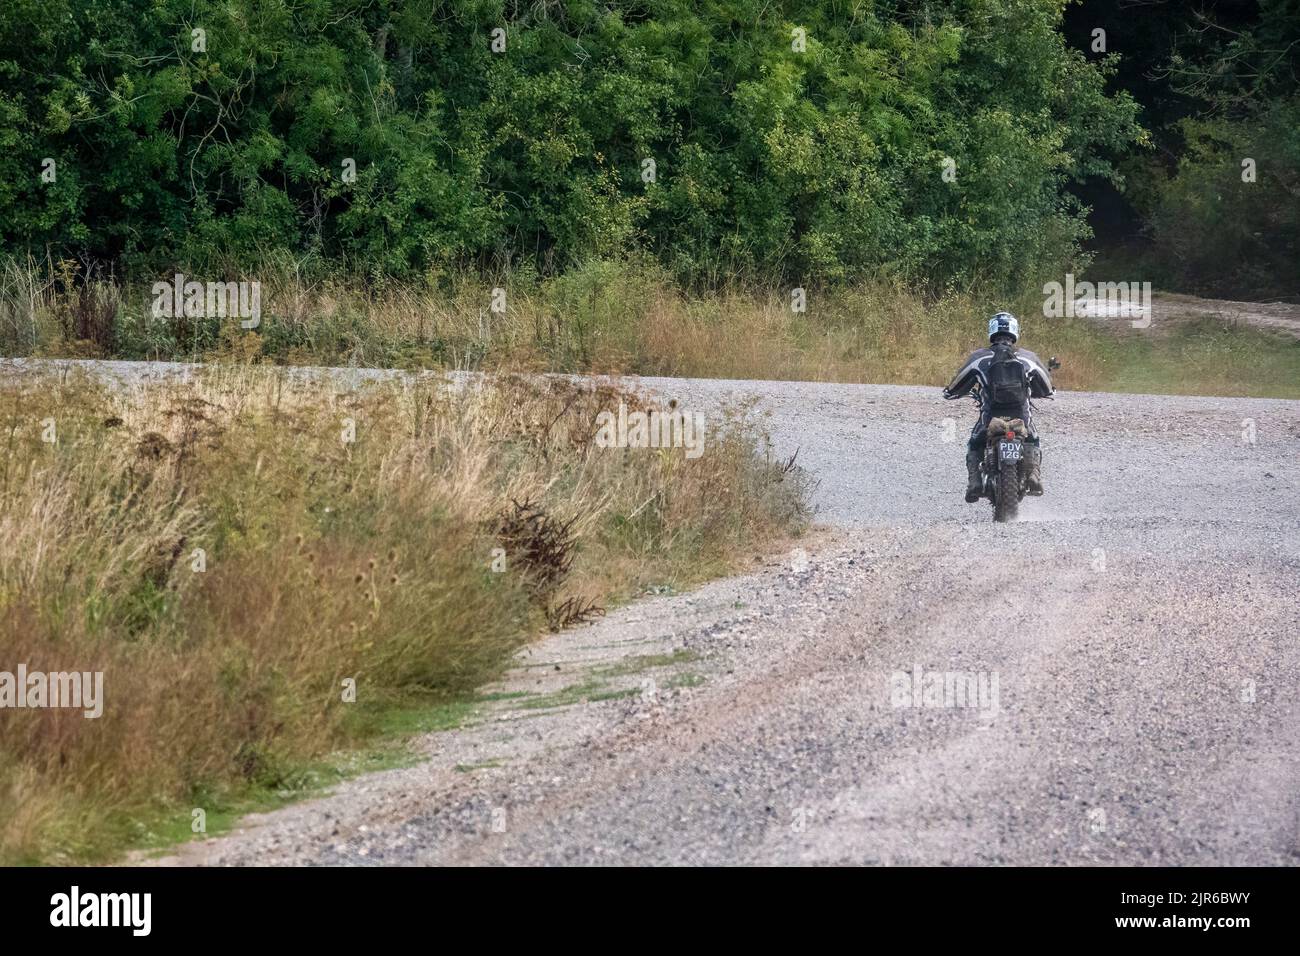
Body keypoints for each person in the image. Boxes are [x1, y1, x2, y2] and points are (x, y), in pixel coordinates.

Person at [942, 312, 1055, 502]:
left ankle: (975, 482)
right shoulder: (1029, 358)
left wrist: (949, 393)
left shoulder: (979, 358)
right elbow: (1047, 388)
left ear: (992, 331)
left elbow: (955, 387)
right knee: (1033, 440)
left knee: (974, 443)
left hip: (990, 419)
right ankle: (1034, 474)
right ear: (1015, 332)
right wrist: (1044, 392)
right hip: (1022, 416)